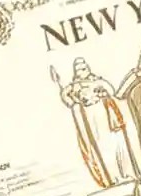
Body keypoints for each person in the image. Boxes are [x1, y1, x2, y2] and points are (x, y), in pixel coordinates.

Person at [58, 58, 136, 188]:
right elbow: (65, 96)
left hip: (105, 116)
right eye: (79, 69)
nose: (83, 70)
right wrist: (73, 101)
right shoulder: (74, 86)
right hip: (89, 119)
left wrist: (103, 93)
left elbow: (111, 90)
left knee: (116, 145)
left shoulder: (98, 81)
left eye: (84, 67)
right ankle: (111, 177)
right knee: (101, 149)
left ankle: (124, 173)